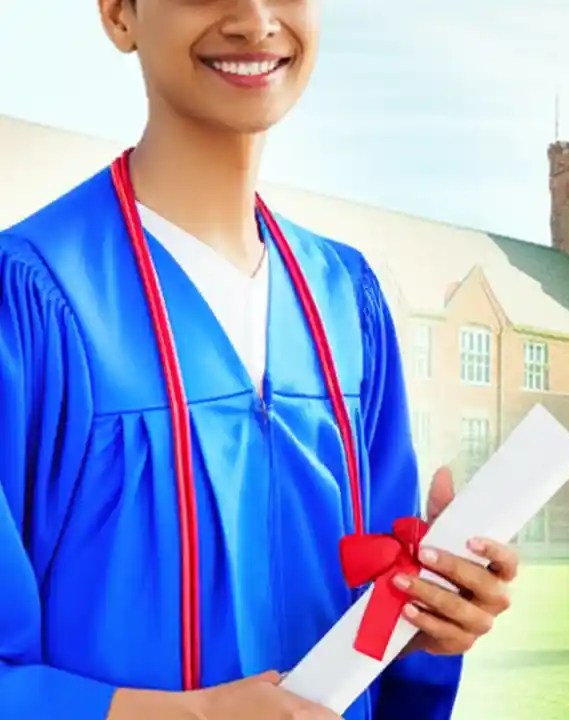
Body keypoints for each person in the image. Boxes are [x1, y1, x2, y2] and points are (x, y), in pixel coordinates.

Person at [0, 2, 517, 718]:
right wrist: (192, 715)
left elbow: (377, 634)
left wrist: (431, 625)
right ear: (121, 14)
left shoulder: (348, 302)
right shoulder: (28, 300)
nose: (253, 17)